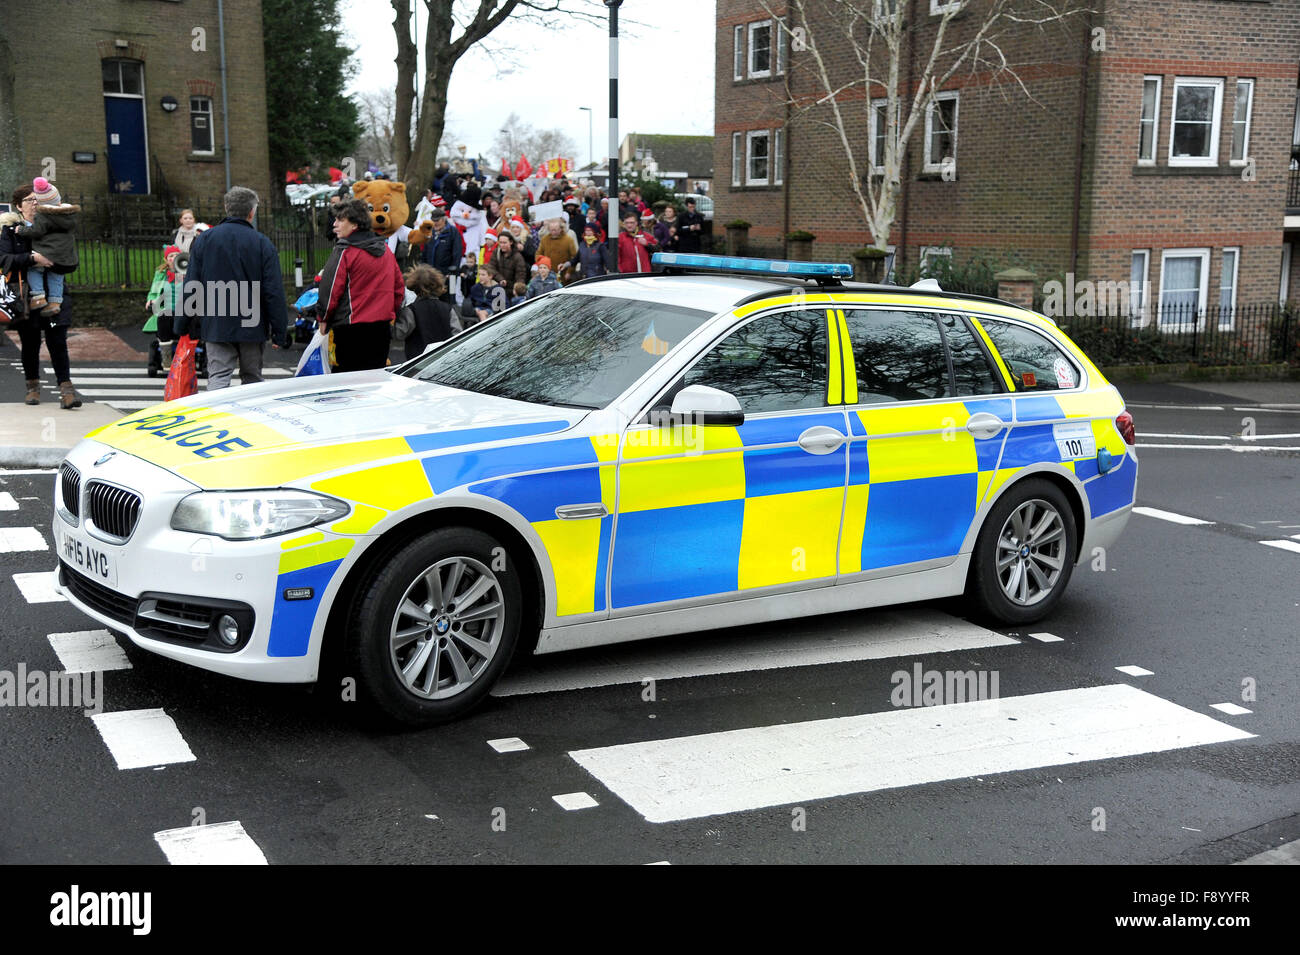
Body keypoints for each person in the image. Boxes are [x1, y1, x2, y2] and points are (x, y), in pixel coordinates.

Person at [174, 185, 288, 390]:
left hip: (217, 321)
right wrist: (279, 330)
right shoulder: (262, 243)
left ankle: (218, 420)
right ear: (252, 212)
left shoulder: (204, 240)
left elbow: (192, 285)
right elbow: (273, 291)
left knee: (218, 377)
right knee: (252, 379)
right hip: (252, 322)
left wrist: (182, 323)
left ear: (227, 208)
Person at [0, 184, 80, 408]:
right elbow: (3, 259)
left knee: (58, 342)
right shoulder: (11, 230)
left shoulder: (56, 226)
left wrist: (57, 263)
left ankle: (66, 390)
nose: (35, 203)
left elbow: (71, 260)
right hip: (27, 297)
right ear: (18, 206)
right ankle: (32, 387)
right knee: (31, 343)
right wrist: (33, 259)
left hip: (56, 297)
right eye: (29, 200)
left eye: (37, 199)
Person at [317, 197, 405, 372]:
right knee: (374, 381)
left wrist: (323, 318)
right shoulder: (386, 250)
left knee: (347, 385)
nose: (335, 224)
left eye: (340, 220)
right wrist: (390, 313)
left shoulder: (345, 251)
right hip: (381, 328)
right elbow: (398, 289)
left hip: (351, 328)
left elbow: (331, 289)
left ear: (354, 225)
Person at [17, 177, 78, 318]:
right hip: (63, 257)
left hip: (46, 253)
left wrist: (21, 230)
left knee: (34, 269)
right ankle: (55, 303)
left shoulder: (43, 216)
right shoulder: (69, 216)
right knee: (57, 276)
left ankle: (38, 297)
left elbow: (35, 231)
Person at [402, 264, 461, 360]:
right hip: (443, 359)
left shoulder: (411, 310)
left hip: (416, 361)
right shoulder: (448, 309)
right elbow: (457, 335)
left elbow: (400, 333)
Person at [421, 206, 464, 295]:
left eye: (437, 221)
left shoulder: (453, 232)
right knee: (431, 298)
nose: (435, 223)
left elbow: (457, 254)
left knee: (450, 297)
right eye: (433, 220)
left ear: (444, 219)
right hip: (431, 275)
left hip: (449, 275)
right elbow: (424, 253)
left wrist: (452, 272)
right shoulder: (429, 232)